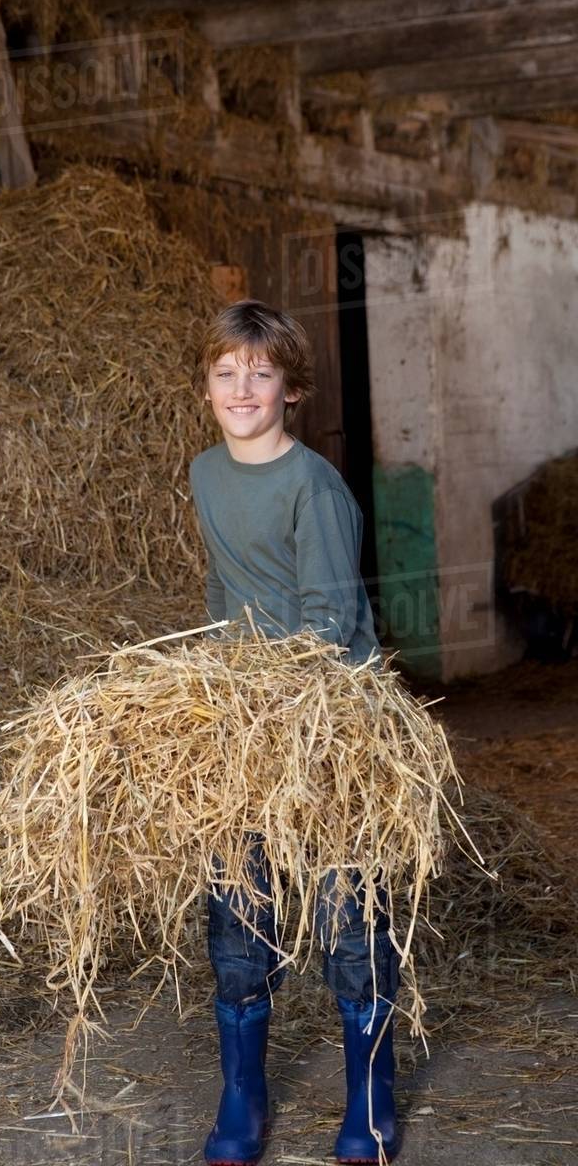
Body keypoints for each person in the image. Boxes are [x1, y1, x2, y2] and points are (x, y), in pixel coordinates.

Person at [188, 299, 400, 1165]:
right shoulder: (204, 472)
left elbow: (326, 620)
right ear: (206, 386)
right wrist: (207, 694)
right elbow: (223, 593)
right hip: (242, 721)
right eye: (227, 373)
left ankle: (371, 1095)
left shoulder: (315, 486)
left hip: (331, 719)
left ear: (293, 389)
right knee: (238, 908)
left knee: (350, 912)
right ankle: (243, 1098)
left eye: (261, 374)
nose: (243, 389)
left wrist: (284, 714)